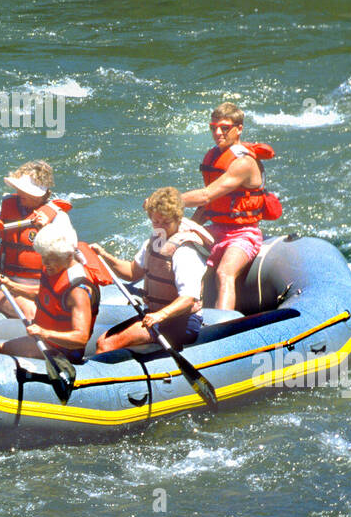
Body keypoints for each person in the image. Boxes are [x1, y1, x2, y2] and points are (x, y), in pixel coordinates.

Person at [181, 102, 278, 310]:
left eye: (224, 127)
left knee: (224, 273)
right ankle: (185, 311)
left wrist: (167, 201)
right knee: (179, 250)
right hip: (216, 229)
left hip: (244, 233)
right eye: (213, 127)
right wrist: (187, 227)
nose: (218, 133)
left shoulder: (244, 163)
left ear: (239, 129)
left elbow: (206, 195)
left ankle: (221, 324)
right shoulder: (214, 156)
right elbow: (210, 205)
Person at [91, 187, 210, 353]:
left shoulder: (185, 251)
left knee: (107, 345)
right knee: (102, 341)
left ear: (178, 219)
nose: (160, 227)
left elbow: (188, 298)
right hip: (155, 315)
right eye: (156, 222)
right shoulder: (156, 241)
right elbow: (132, 272)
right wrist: (104, 256)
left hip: (182, 321)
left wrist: (160, 315)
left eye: (166, 223)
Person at [0, 222, 100, 363]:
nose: (45, 263)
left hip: (62, 352)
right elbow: (44, 295)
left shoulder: (78, 291)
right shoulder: (57, 268)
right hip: (44, 340)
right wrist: (11, 285)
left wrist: (44, 333)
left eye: (51, 259)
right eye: (43, 257)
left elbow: (80, 338)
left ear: (68, 256)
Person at [0, 161, 74, 309]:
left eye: (25, 190)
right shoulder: (5, 211)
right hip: (8, 285)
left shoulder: (58, 218)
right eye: (19, 189)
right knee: (32, 312)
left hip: (44, 286)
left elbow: (68, 257)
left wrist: (46, 229)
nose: (19, 193)